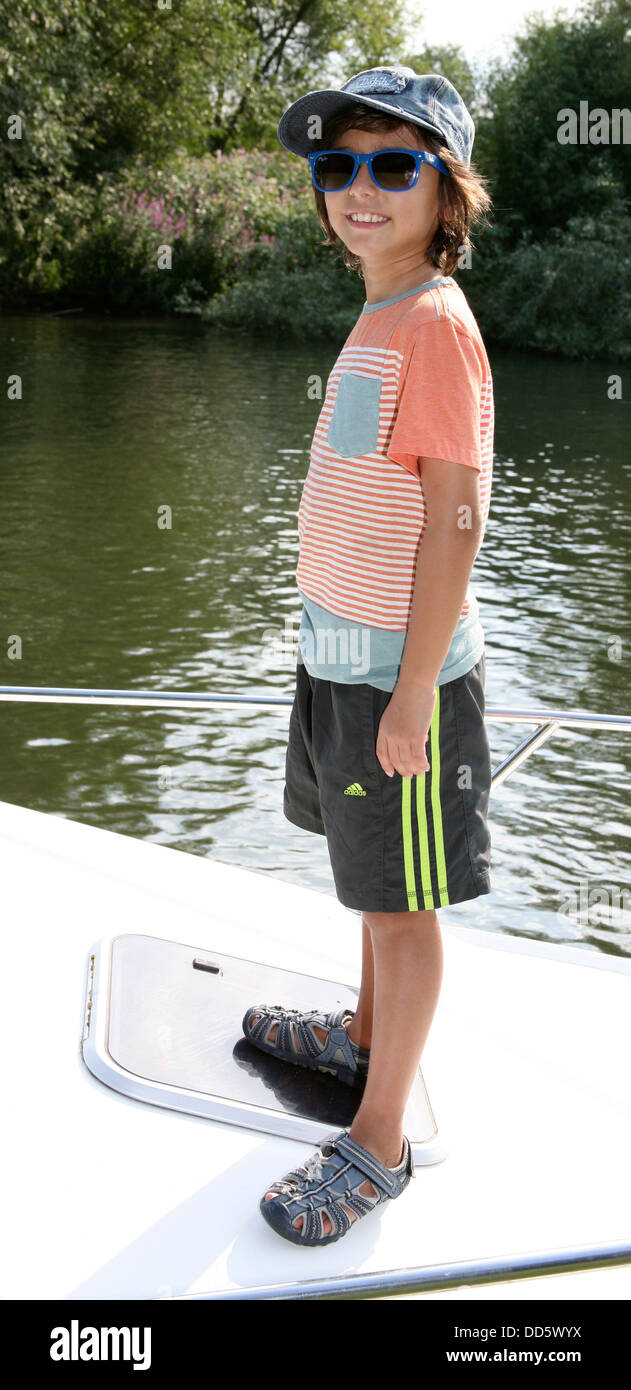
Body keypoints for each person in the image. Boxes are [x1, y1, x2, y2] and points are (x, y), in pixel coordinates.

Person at [243, 65, 495, 1246]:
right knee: (368, 884)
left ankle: (379, 1140)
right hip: (340, 656)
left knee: (404, 910)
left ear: (444, 192)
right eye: (338, 163)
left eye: (395, 164)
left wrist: (409, 696)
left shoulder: (435, 322)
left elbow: (456, 517)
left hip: (400, 674)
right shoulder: (381, 309)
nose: (360, 186)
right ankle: (357, 1035)